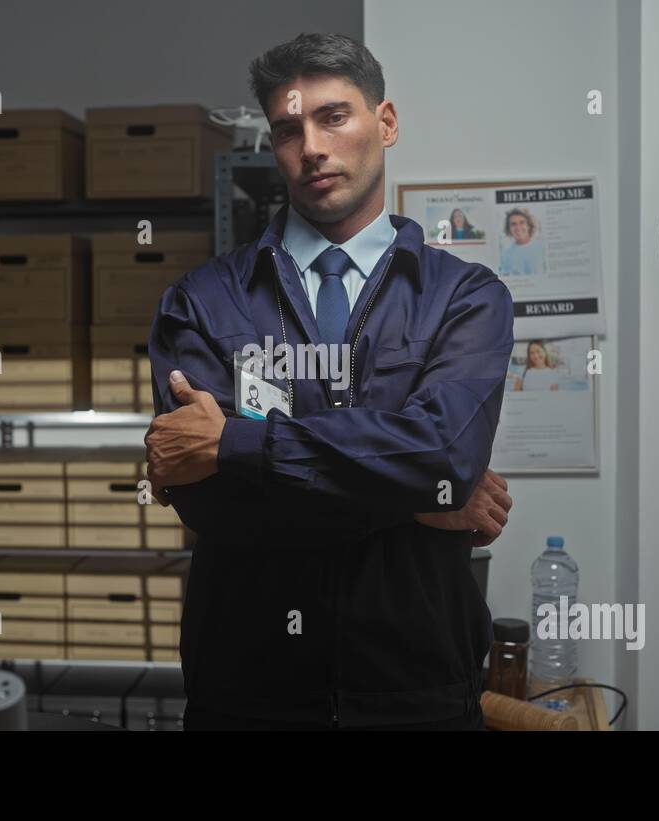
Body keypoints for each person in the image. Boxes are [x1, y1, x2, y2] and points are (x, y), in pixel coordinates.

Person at [144, 33, 515, 731]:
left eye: (333, 116)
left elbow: (442, 455)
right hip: (248, 695)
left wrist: (240, 446)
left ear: (386, 122)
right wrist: (413, 503)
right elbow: (210, 501)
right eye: (288, 129)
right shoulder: (201, 301)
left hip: (419, 694)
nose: (311, 146)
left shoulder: (464, 297)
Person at [498, 207, 547, 276]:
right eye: (513, 224)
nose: (518, 227)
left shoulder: (542, 248)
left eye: (522, 222)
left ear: (529, 225)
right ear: (509, 228)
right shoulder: (506, 255)